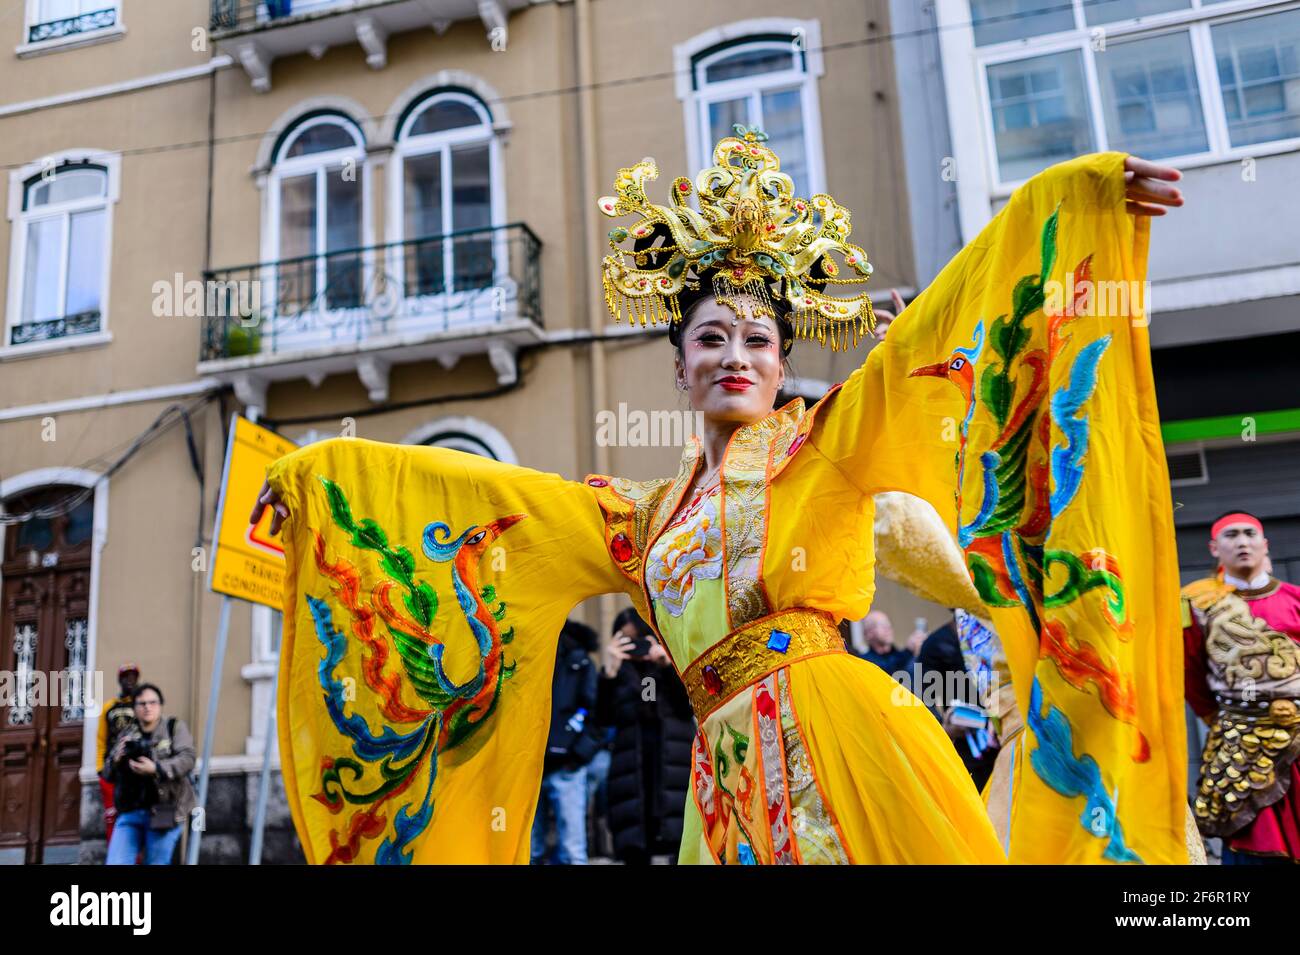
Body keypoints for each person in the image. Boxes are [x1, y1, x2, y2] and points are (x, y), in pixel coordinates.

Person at [253, 131, 1190, 864]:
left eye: (757, 340)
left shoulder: (821, 441)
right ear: (680, 368)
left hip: (843, 738)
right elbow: (500, 500)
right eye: (712, 339)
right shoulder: (647, 517)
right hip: (726, 774)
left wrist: (1072, 197)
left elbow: (928, 344)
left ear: (783, 362)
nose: (735, 356)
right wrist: (319, 479)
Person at [1183, 511, 1300, 864]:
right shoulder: (1198, 605)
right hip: (1240, 742)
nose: (1243, 542)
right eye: (1231, 535)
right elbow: (1190, 674)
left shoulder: (1295, 598)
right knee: (1252, 842)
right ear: (1215, 547)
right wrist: (1229, 718)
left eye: (1250, 534)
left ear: (1265, 544)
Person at [597, 608, 694, 864]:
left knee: (680, 840)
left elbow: (688, 708)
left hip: (671, 762)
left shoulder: (667, 666)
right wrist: (608, 672)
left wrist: (668, 666)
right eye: (627, 641)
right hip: (631, 767)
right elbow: (601, 720)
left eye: (639, 639)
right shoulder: (616, 672)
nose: (635, 647)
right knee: (635, 843)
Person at [531, 620, 603, 864]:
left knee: (572, 848)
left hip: (566, 766)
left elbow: (597, 714)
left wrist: (578, 755)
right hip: (531, 766)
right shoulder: (528, 659)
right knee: (529, 848)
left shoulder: (580, 663)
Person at [102, 684, 196, 865]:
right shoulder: (126, 734)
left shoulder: (173, 727)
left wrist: (156, 768)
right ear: (134, 708)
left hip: (164, 811)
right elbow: (107, 774)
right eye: (142, 703)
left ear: (160, 705)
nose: (147, 707)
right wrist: (116, 759)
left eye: (152, 702)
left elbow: (187, 759)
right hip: (130, 812)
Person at [96, 663, 140, 845]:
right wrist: (100, 767)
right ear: (119, 680)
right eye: (126, 677)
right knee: (112, 816)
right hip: (112, 771)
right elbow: (101, 738)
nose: (130, 681)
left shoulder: (140, 705)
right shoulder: (109, 707)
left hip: (134, 771)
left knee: (134, 816)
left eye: (133, 677)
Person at [856, 611, 913, 681]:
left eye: (888, 624)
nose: (888, 628)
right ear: (868, 633)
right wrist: (908, 652)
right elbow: (886, 672)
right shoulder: (864, 662)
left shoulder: (901, 656)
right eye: (882, 625)